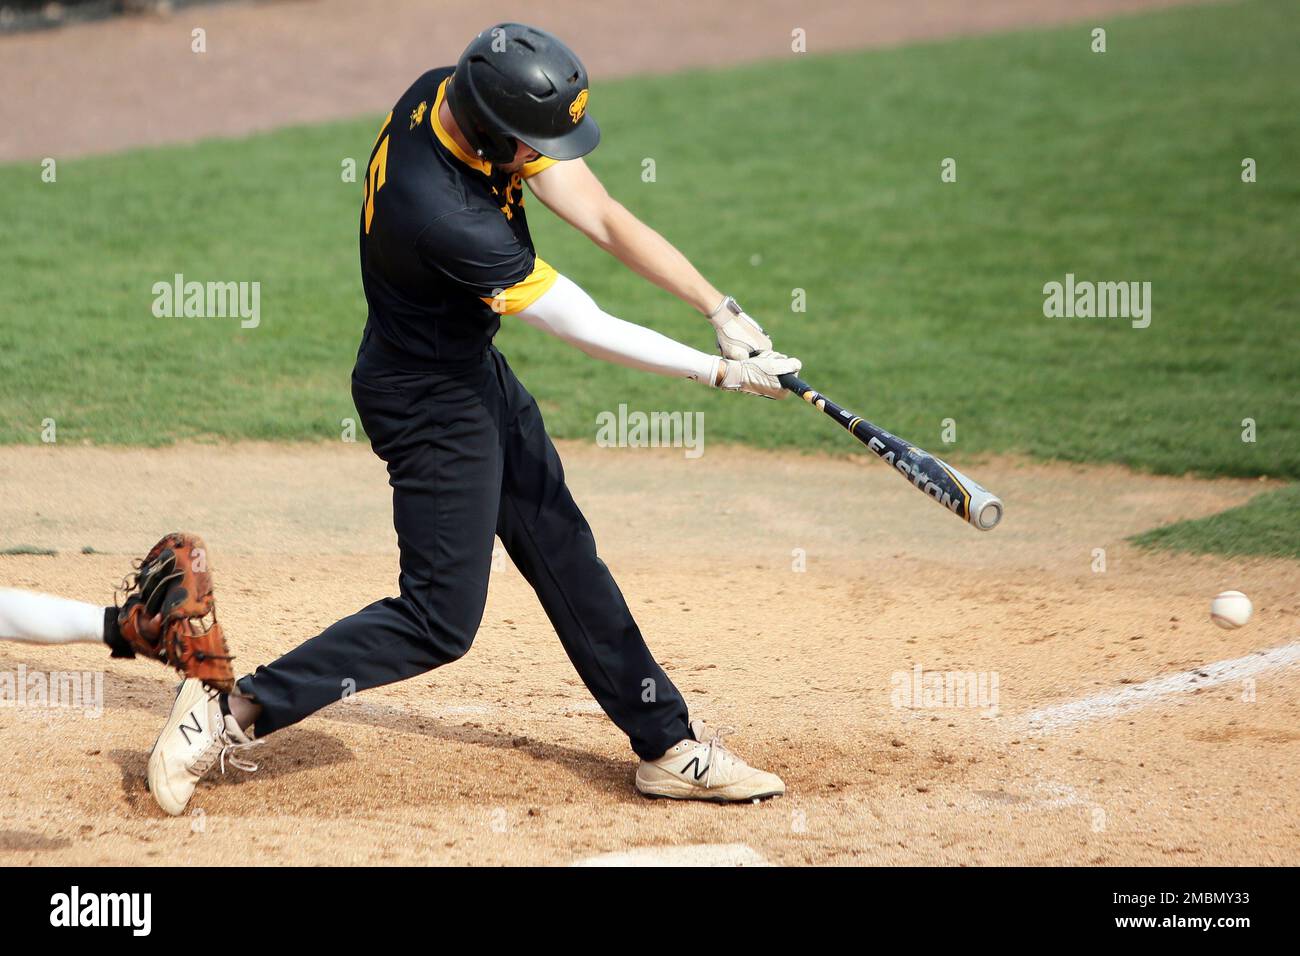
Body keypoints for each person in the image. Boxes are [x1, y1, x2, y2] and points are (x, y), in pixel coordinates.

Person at [147, 22, 800, 815]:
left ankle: (666, 743)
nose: (547, 160)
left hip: (465, 371)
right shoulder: (444, 215)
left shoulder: (445, 92)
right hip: (424, 400)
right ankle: (224, 711)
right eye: (534, 145)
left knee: (563, 548)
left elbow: (600, 213)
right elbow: (582, 325)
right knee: (436, 618)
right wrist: (720, 372)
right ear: (494, 136)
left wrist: (718, 306)